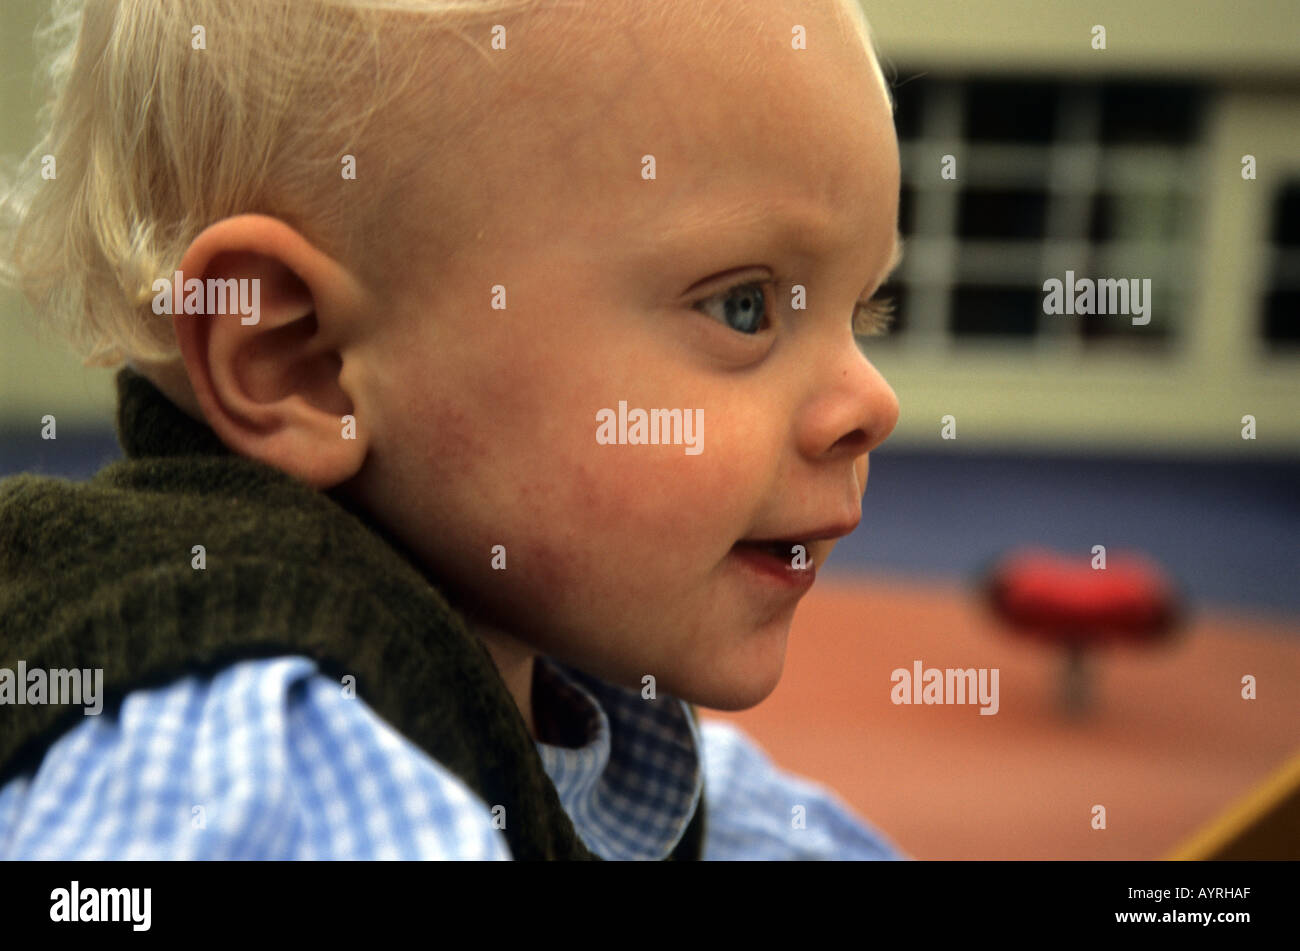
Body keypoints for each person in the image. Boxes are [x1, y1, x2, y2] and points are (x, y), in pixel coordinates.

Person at [0, 0, 904, 860]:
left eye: (863, 311)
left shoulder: (580, 720)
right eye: (743, 306)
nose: (872, 401)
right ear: (298, 362)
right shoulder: (269, 769)